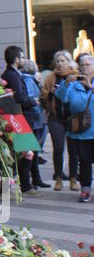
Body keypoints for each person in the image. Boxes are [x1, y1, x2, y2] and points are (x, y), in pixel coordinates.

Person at [2, 45, 42, 194]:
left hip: (15, 117)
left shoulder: (10, 74)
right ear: (17, 59)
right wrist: (32, 101)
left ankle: (23, 184)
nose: (24, 60)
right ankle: (25, 185)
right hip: (16, 118)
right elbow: (20, 98)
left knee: (23, 152)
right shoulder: (13, 75)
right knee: (26, 152)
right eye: (23, 57)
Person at [56, 53, 94, 203]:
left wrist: (91, 87)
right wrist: (65, 84)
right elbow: (61, 97)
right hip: (81, 131)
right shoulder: (73, 83)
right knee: (84, 161)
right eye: (82, 65)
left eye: (88, 65)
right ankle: (85, 189)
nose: (85, 68)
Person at [41, 51, 80, 191]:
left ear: (69, 62)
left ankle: (73, 179)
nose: (60, 63)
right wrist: (51, 92)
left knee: (73, 149)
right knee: (58, 148)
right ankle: (58, 178)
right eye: (57, 61)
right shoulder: (51, 77)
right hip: (55, 116)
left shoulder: (76, 75)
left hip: (72, 117)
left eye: (63, 61)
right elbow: (43, 95)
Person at [19, 58, 49, 189]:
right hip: (34, 120)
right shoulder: (29, 80)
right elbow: (34, 101)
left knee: (33, 151)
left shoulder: (26, 79)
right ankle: (34, 179)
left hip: (33, 119)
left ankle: (35, 178)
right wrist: (40, 116)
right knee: (33, 152)